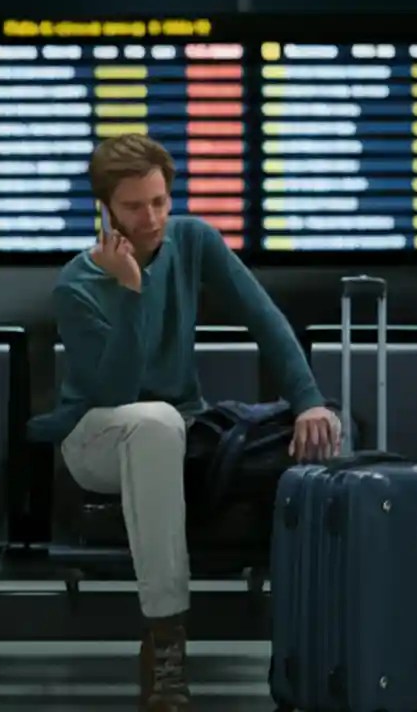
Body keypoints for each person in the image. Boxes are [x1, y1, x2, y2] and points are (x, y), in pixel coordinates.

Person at [27, 134, 341, 711]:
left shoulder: (192, 238)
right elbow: (118, 388)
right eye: (133, 207)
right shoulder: (77, 285)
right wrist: (130, 290)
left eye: (159, 202)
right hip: (95, 436)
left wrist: (309, 400)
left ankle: (325, 643)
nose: (151, 219)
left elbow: (264, 318)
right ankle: (166, 640)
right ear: (103, 209)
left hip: (177, 431)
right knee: (153, 421)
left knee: (300, 434)